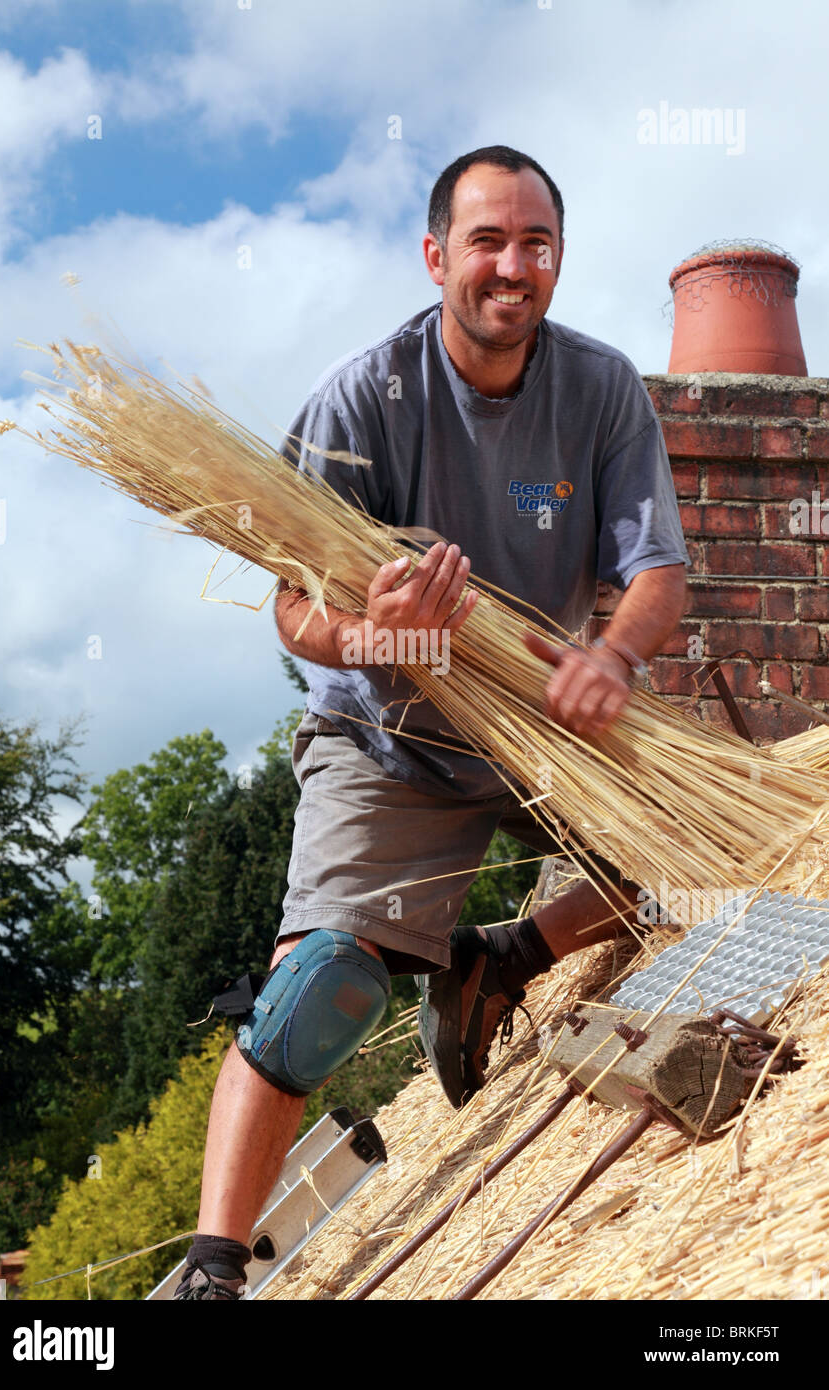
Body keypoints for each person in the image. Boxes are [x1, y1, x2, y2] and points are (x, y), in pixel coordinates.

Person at [173, 145, 688, 1299]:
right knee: (321, 991)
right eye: (487, 241)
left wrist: (610, 655)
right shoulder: (365, 396)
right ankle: (213, 1265)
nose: (513, 266)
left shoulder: (598, 388)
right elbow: (290, 607)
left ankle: (501, 955)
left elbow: (656, 569)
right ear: (435, 256)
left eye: (535, 243)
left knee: (702, 862)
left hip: (537, 715)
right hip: (387, 735)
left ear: (557, 258)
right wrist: (377, 634)